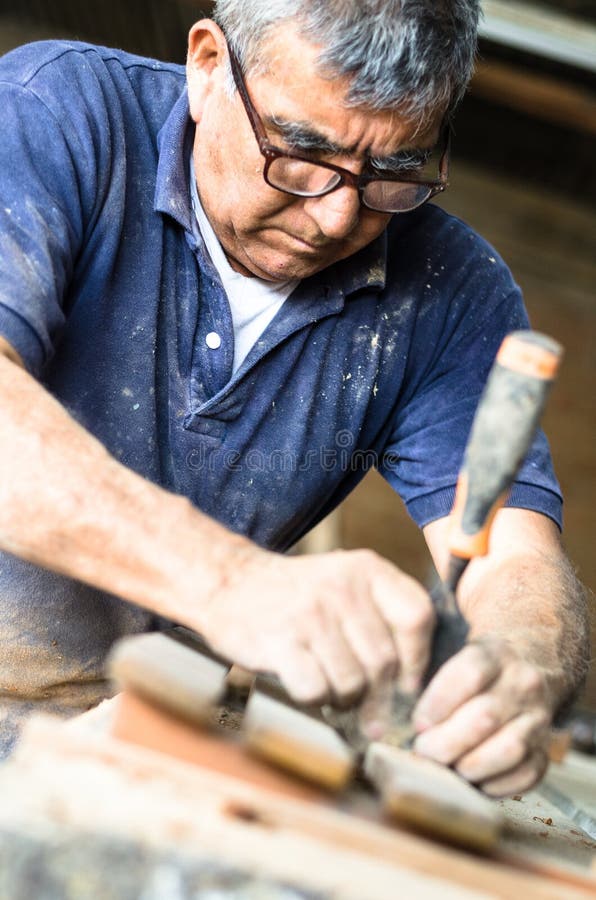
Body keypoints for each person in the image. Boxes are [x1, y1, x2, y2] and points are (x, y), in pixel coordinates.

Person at [0, 0, 589, 794]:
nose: (336, 216)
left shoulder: (454, 292)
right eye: (302, 152)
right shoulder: (58, 113)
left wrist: (520, 667)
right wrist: (231, 582)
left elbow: (514, 555)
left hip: (129, 742)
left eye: (393, 173)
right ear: (208, 65)